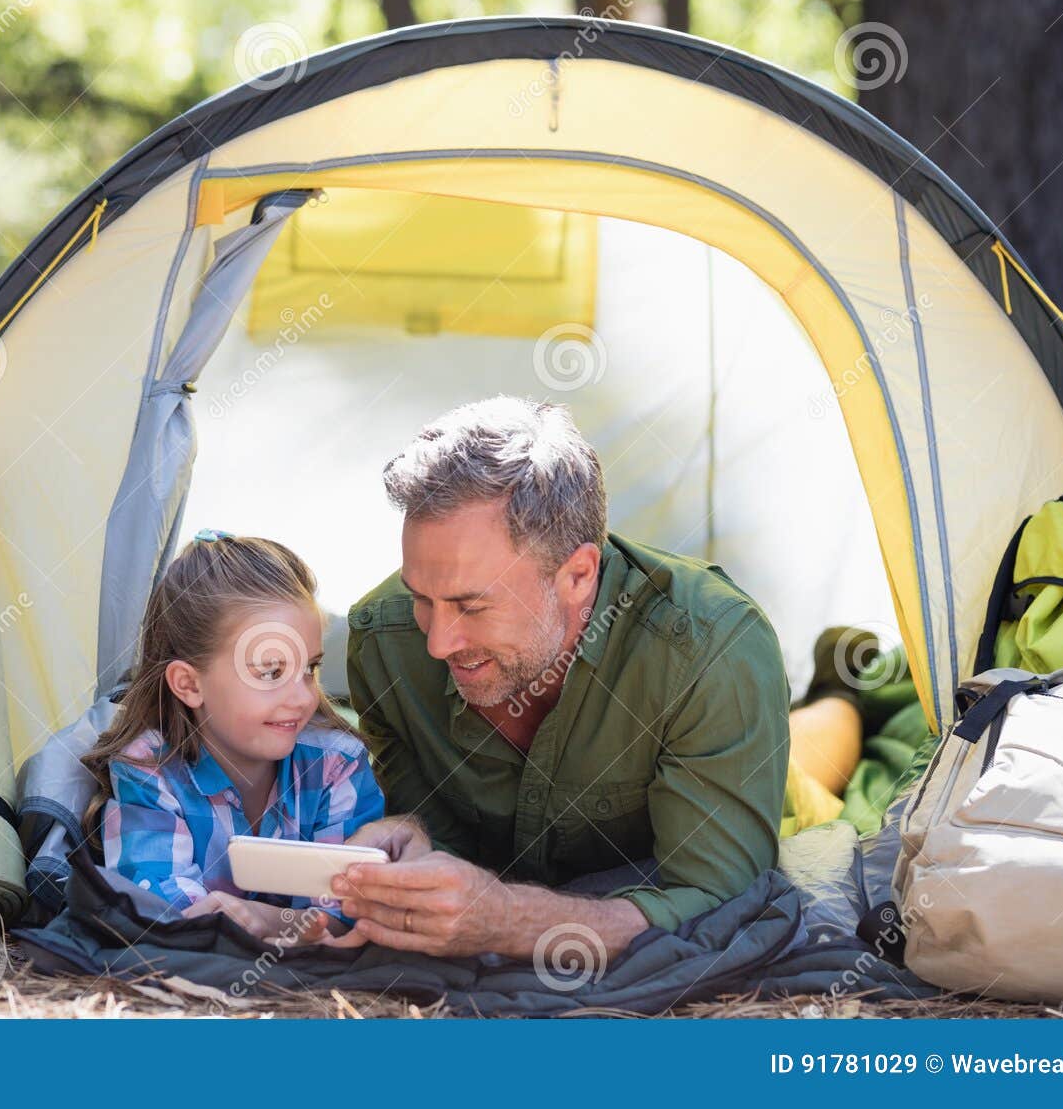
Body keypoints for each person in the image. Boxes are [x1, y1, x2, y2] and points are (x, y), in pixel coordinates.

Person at [324, 396, 868, 961]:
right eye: (421, 599)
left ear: (578, 575)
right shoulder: (384, 641)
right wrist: (414, 839)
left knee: (825, 748)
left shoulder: (711, 648)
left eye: (472, 605)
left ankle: (844, 690)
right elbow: (442, 829)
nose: (438, 642)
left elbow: (716, 899)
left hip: (778, 784)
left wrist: (512, 921)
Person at [81, 530, 384, 947]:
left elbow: (354, 903)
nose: (302, 698)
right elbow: (158, 900)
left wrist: (265, 919)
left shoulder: (336, 765)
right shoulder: (148, 770)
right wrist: (262, 922)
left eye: (310, 669)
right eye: (271, 673)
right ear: (189, 684)